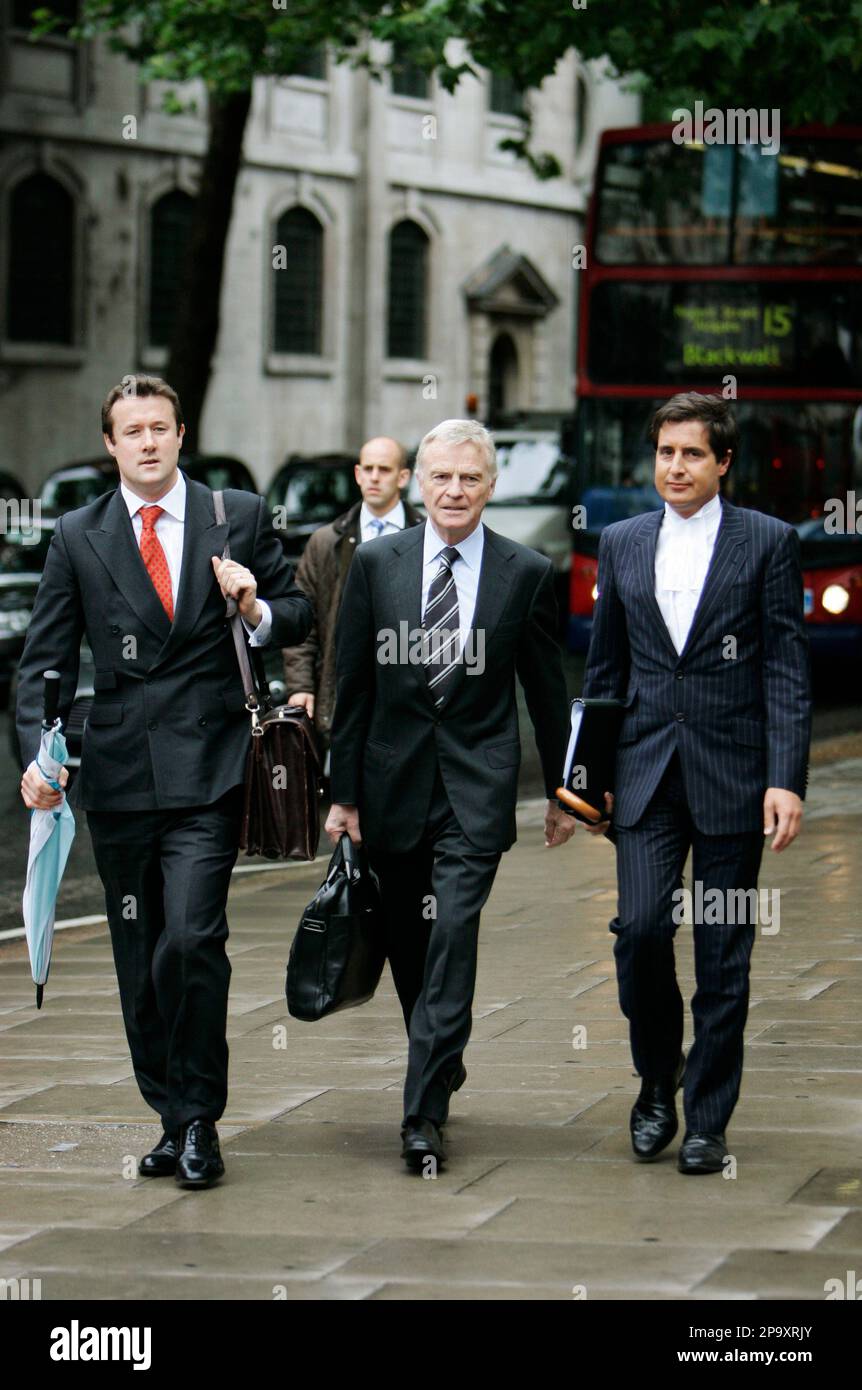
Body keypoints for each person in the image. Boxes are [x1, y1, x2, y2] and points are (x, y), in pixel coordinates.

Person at [17, 376, 312, 1189]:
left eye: (160, 427)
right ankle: (171, 1115)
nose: (147, 442)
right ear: (110, 445)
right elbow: (44, 658)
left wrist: (253, 609)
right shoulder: (79, 535)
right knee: (140, 951)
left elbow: (298, 615)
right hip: (117, 775)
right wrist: (37, 761)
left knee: (191, 939)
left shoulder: (237, 516)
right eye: (130, 431)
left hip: (213, 766)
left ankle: (201, 1120)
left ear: (182, 434)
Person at [325, 418, 575, 1172]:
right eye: (441, 477)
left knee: (453, 935)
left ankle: (422, 1111)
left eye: (470, 478)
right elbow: (354, 685)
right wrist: (343, 795)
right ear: (418, 484)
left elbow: (547, 692)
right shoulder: (375, 564)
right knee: (411, 945)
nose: (455, 490)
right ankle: (438, 1051)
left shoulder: (525, 571)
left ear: (490, 486)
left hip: (476, 790)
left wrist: (566, 791)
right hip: (391, 785)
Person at [582, 392, 811, 1174]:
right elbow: (605, 668)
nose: (673, 467)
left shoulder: (769, 543)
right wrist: (586, 778)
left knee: (724, 955)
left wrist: (785, 778)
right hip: (643, 775)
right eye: (664, 453)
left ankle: (708, 1121)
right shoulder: (621, 541)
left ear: (724, 463)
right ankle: (657, 1079)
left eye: (690, 454)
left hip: (734, 779)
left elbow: (785, 667)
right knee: (641, 931)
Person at [283, 437, 422, 754]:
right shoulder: (325, 541)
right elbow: (303, 620)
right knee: (344, 797)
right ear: (358, 474)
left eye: (384, 469)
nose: (374, 477)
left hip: (407, 693)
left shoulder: (428, 536)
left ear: (403, 477)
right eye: (368, 469)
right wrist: (301, 685)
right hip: (345, 691)